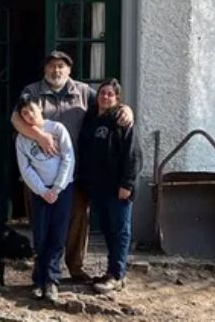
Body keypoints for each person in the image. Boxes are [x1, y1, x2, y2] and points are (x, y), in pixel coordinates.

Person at [11, 50, 133, 282]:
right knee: (42, 225)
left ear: (69, 70)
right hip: (40, 173)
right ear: (45, 69)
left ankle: (75, 268)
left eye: (61, 67)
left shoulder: (84, 91)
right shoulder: (32, 91)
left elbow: (108, 102)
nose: (56, 71)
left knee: (78, 221)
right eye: (52, 66)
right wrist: (39, 136)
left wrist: (127, 109)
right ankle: (43, 272)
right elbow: (16, 119)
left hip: (75, 172)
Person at [77, 78, 142, 293]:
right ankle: (112, 271)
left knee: (120, 231)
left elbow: (133, 155)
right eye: (102, 93)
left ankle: (117, 274)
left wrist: (127, 183)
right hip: (97, 188)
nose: (105, 97)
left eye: (110, 94)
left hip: (118, 188)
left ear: (117, 99)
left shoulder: (122, 121)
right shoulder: (91, 120)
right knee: (107, 230)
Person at [14, 96, 75, 304]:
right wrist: (42, 191)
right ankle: (38, 280)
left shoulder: (57, 129)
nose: (29, 116)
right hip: (39, 193)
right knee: (40, 236)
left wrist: (57, 187)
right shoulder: (22, 139)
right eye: (24, 114)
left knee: (58, 236)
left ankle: (52, 281)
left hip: (62, 190)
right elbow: (26, 169)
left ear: (40, 107)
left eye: (31, 110)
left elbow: (68, 157)